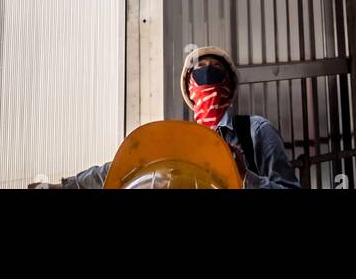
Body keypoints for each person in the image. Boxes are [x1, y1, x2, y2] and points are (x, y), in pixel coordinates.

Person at [52, 46, 300, 190]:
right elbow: (119, 169)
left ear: (230, 85)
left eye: (215, 70)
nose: (208, 76)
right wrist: (66, 185)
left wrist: (246, 177)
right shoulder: (177, 142)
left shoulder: (256, 132)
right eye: (200, 72)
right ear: (189, 91)